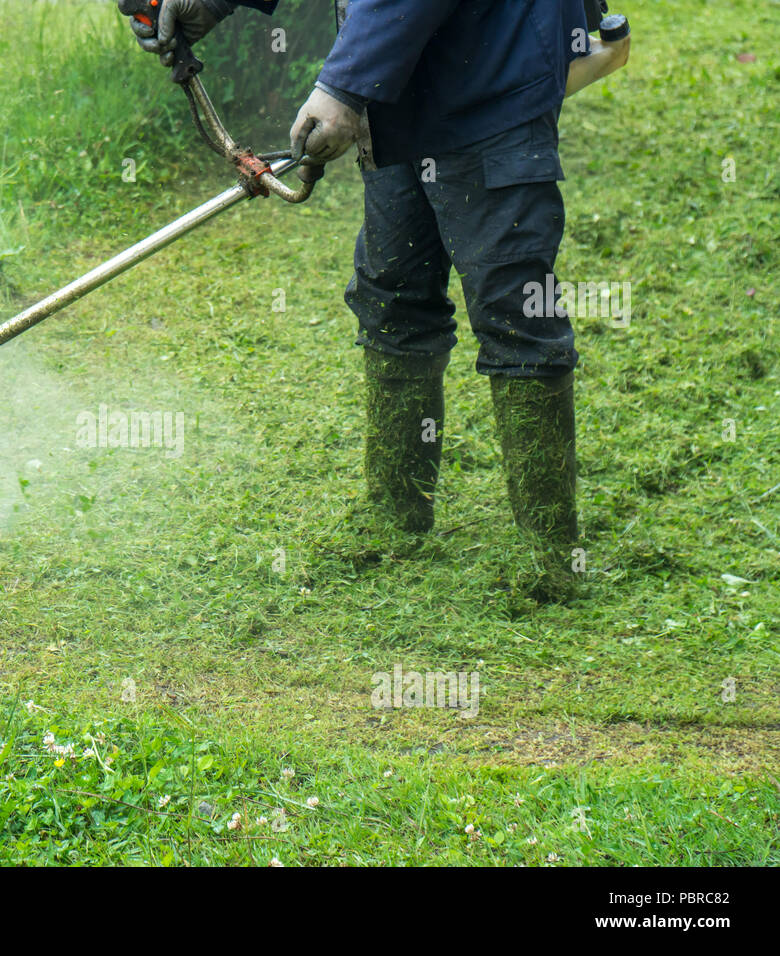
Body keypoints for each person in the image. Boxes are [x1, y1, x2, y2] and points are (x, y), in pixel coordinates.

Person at [116, 0, 630, 601]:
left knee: (514, 310)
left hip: (495, 67)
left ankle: (550, 554)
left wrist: (344, 85)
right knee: (394, 295)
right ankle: (394, 520)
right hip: (404, 83)